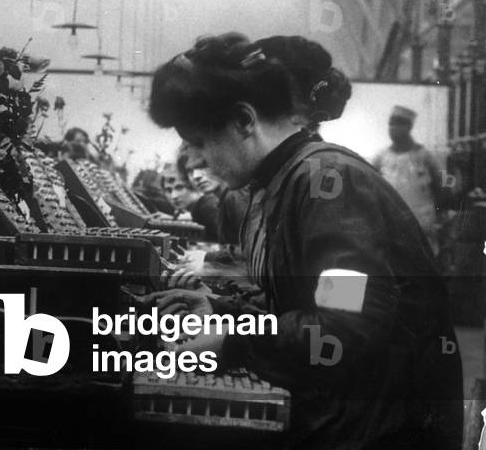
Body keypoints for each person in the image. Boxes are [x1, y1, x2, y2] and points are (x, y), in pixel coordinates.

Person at [145, 33, 461, 450]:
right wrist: (223, 312)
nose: (194, 159)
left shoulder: (329, 185)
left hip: (380, 432)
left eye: (199, 140)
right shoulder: (288, 180)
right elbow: (308, 304)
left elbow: (345, 325)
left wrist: (234, 341)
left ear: (244, 120)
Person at [372, 106, 445, 255]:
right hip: (390, 229)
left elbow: (442, 187)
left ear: (409, 127)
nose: (393, 128)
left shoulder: (425, 157)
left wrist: (440, 217)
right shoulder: (380, 158)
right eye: (391, 124)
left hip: (422, 227)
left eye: (398, 124)